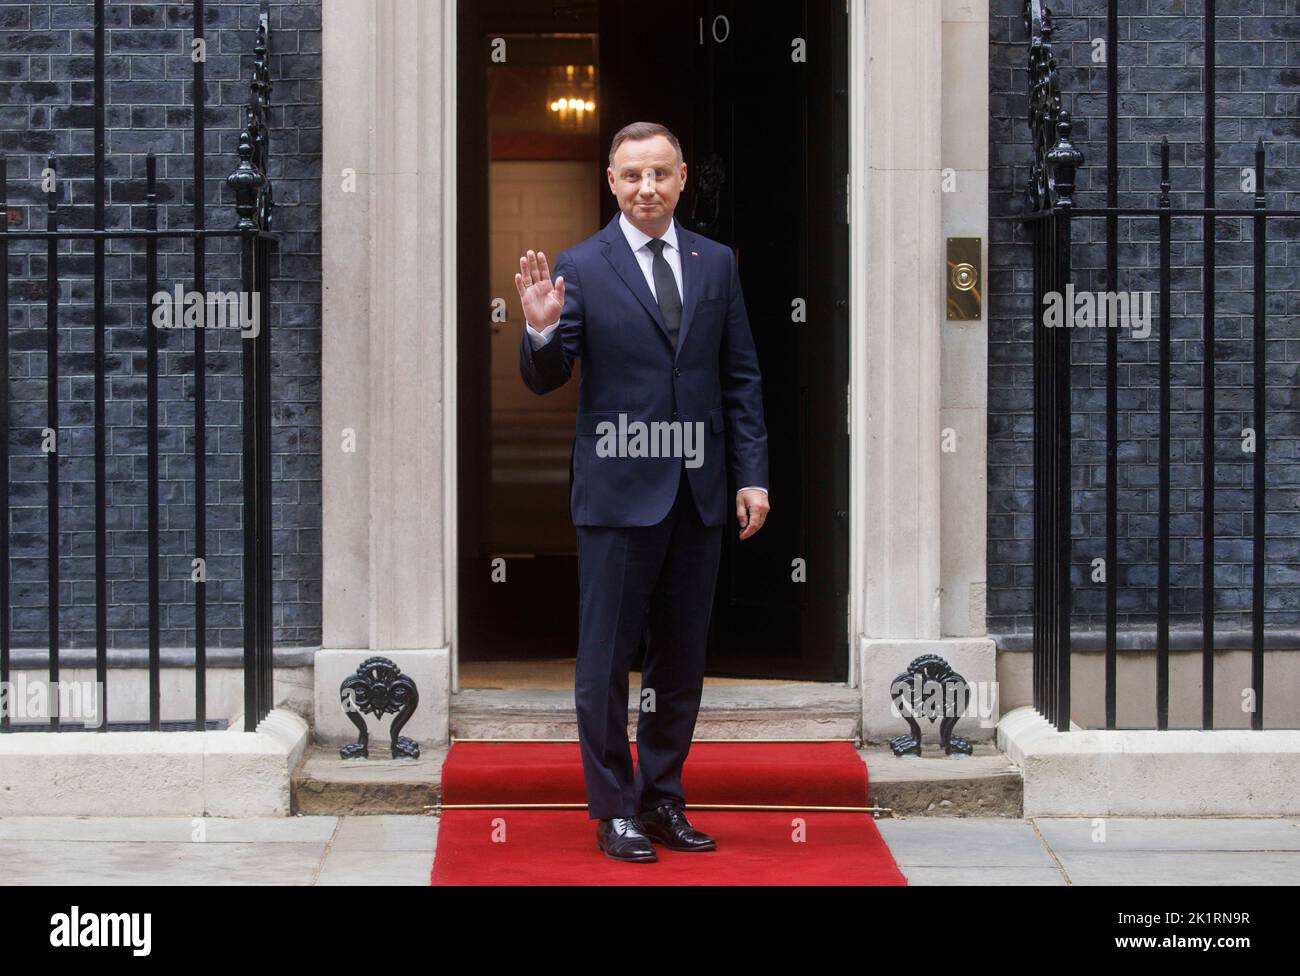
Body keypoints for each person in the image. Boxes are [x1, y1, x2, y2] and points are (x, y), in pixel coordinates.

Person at [515, 121, 769, 863]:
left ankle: (662, 800)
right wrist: (540, 332)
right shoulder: (582, 267)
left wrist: (752, 474)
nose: (646, 188)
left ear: (682, 178)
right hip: (619, 492)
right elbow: (549, 375)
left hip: (700, 491)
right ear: (612, 181)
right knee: (605, 658)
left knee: (680, 660)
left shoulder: (715, 262)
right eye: (632, 176)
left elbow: (740, 376)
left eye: (659, 174)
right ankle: (613, 808)